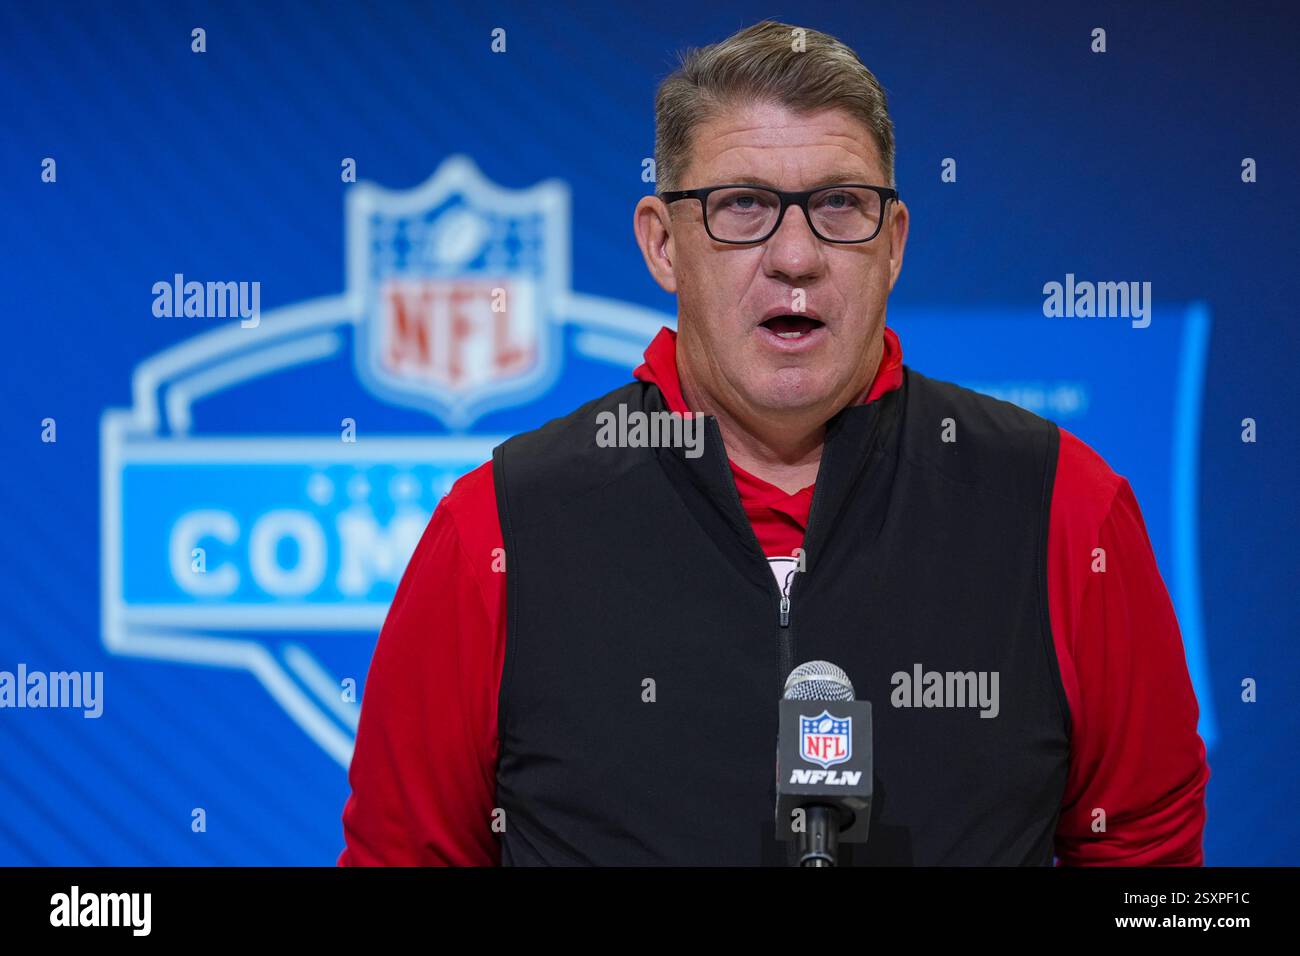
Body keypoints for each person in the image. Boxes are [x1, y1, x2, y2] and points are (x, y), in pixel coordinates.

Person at [339, 19, 1208, 866]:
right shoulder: (498, 528)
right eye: (743, 206)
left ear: (893, 243)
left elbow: (1152, 860)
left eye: (839, 205)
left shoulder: (1062, 504)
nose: (796, 254)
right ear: (663, 244)